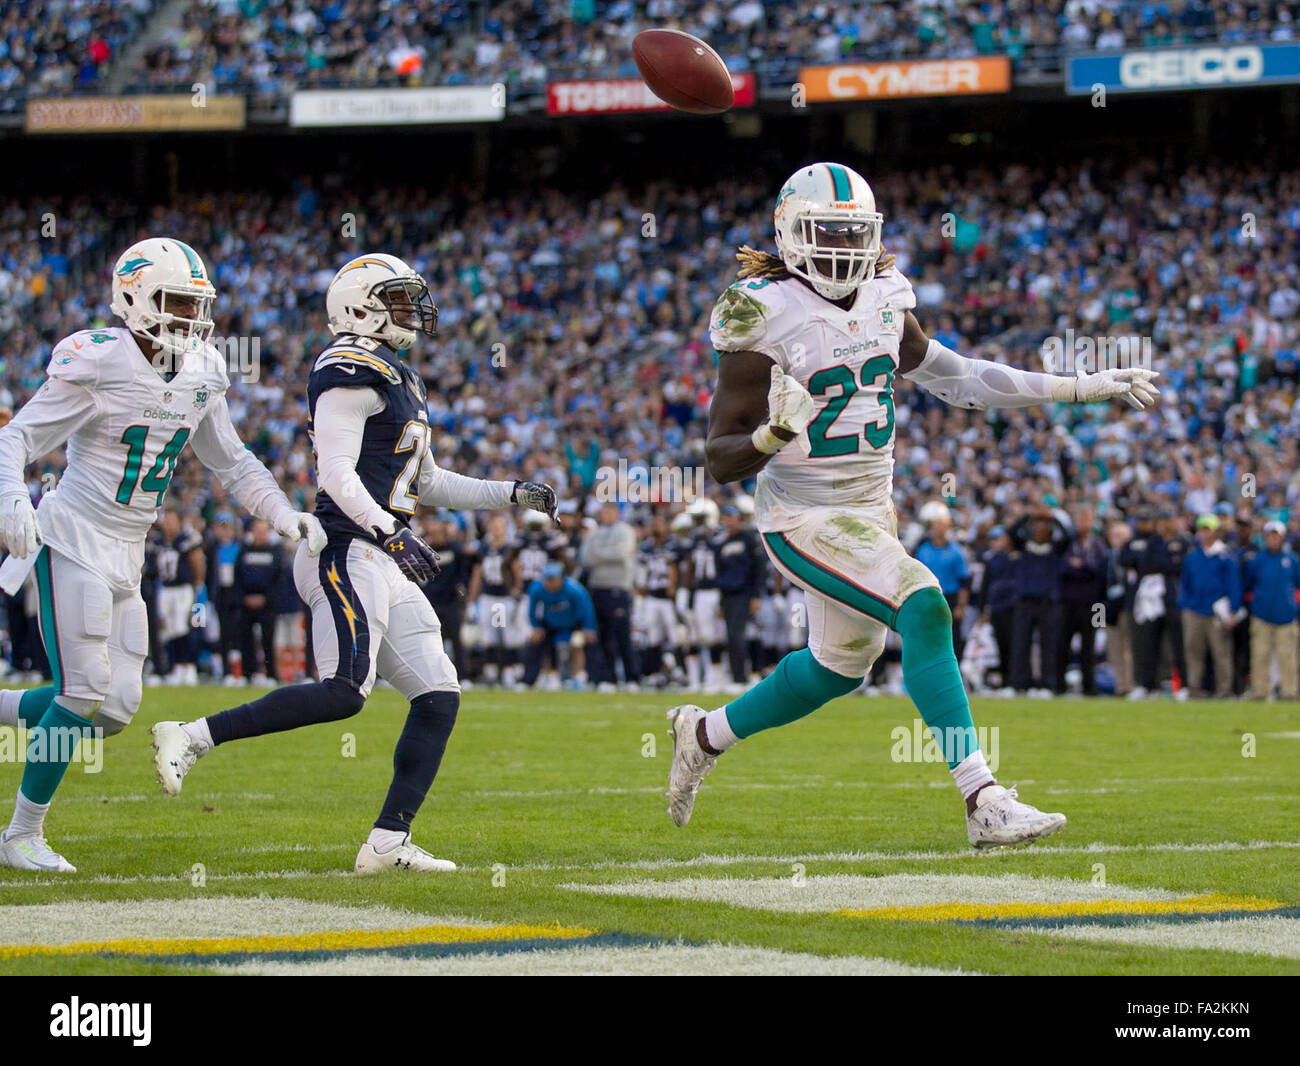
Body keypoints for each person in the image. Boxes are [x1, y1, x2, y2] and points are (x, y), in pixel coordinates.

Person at [667, 162, 1157, 847]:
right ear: (789, 232)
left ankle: (703, 733)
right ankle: (983, 799)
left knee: (839, 668)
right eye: (824, 232)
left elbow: (958, 378)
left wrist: (1076, 388)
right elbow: (720, 459)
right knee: (924, 602)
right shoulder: (759, 309)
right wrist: (773, 432)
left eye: (851, 233)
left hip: (870, 506)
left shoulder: (887, 297)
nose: (839, 248)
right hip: (800, 514)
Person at [150, 253, 557, 874]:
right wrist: (389, 533)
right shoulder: (347, 367)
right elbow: (335, 473)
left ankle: (388, 842)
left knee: (439, 694)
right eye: (395, 298)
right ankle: (192, 733)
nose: (410, 310)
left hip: (379, 552)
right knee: (344, 692)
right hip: (343, 548)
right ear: (361, 306)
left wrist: (510, 493)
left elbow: (429, 480)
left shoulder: (402, 376)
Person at [0, 237, 326, 873]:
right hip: (72, 534)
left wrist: (284, 514)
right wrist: (12, 502)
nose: (188, 317)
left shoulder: (204, 368)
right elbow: (16, 438)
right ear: (133, 297)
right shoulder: (97, 359)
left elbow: (232, 462)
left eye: (195, 304)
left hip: (130, 547)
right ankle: (19, 836)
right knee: (84, 687)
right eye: (174, 301)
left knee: (116, 708)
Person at [1178, 514, 1240, 699]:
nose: (1204, 533)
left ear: (1215, 531)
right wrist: (1186, 604)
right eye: (1202, 529)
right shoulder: (1193, 556)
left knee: (1221, 652)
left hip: (1216, 612)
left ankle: (1224, 689)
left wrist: (1233, 611)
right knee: (1193, 651)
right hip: (1194, 609)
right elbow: (1186, 583)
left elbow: (1233, 585)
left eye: (1208, 529)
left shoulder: (1225, 556)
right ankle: (1194, 688)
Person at [580, 501, 639, 689]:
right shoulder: (594, 533)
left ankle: (632, 678)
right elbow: (585, 558)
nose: (605, 515)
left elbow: (621, 553)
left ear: (616, 512)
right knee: (603, 636)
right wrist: (606, 553)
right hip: (597, 588)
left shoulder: (625, 531)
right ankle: (608, 677)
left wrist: (599, 553)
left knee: (622, 635)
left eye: (608, 511)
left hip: (618, 587)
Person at [1243, 520, 1300, 700]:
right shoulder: (1257, 561)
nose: (1273, 539)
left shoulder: (1292, 560)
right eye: (1270, 536)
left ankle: (1289, 692)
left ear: (1282, 538)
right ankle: (1260, 691)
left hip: (1286, 616)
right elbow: (1249, 585)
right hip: (1262, 615)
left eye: (1276, 535)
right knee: (1260, 656)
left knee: (1288, 658)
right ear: (1265, 538)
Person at [523, 561, 597, 688]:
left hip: (574, 623)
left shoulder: (574, 589)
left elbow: (587, 609)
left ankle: (579, 676)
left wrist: (589, 628)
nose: (549, 583)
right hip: (551, 623)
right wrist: (536, 627)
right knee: (540, 644)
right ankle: (546, 677)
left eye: (552, 579)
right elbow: (531, 611)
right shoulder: (537, 589)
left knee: (577, 644)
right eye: (547, 579)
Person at [234, 518, 284, 684]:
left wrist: (265, 598)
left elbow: (278, 579)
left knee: (268, 640)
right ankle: (249, 674)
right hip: (246, 602)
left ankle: (271, 675)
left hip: (267, 604)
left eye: (264, 531)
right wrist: (245, 597)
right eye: (258, 531)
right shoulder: (244, 550)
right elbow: (238, 576)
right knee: (245, 639)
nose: (260, 535)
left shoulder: (275, 551)